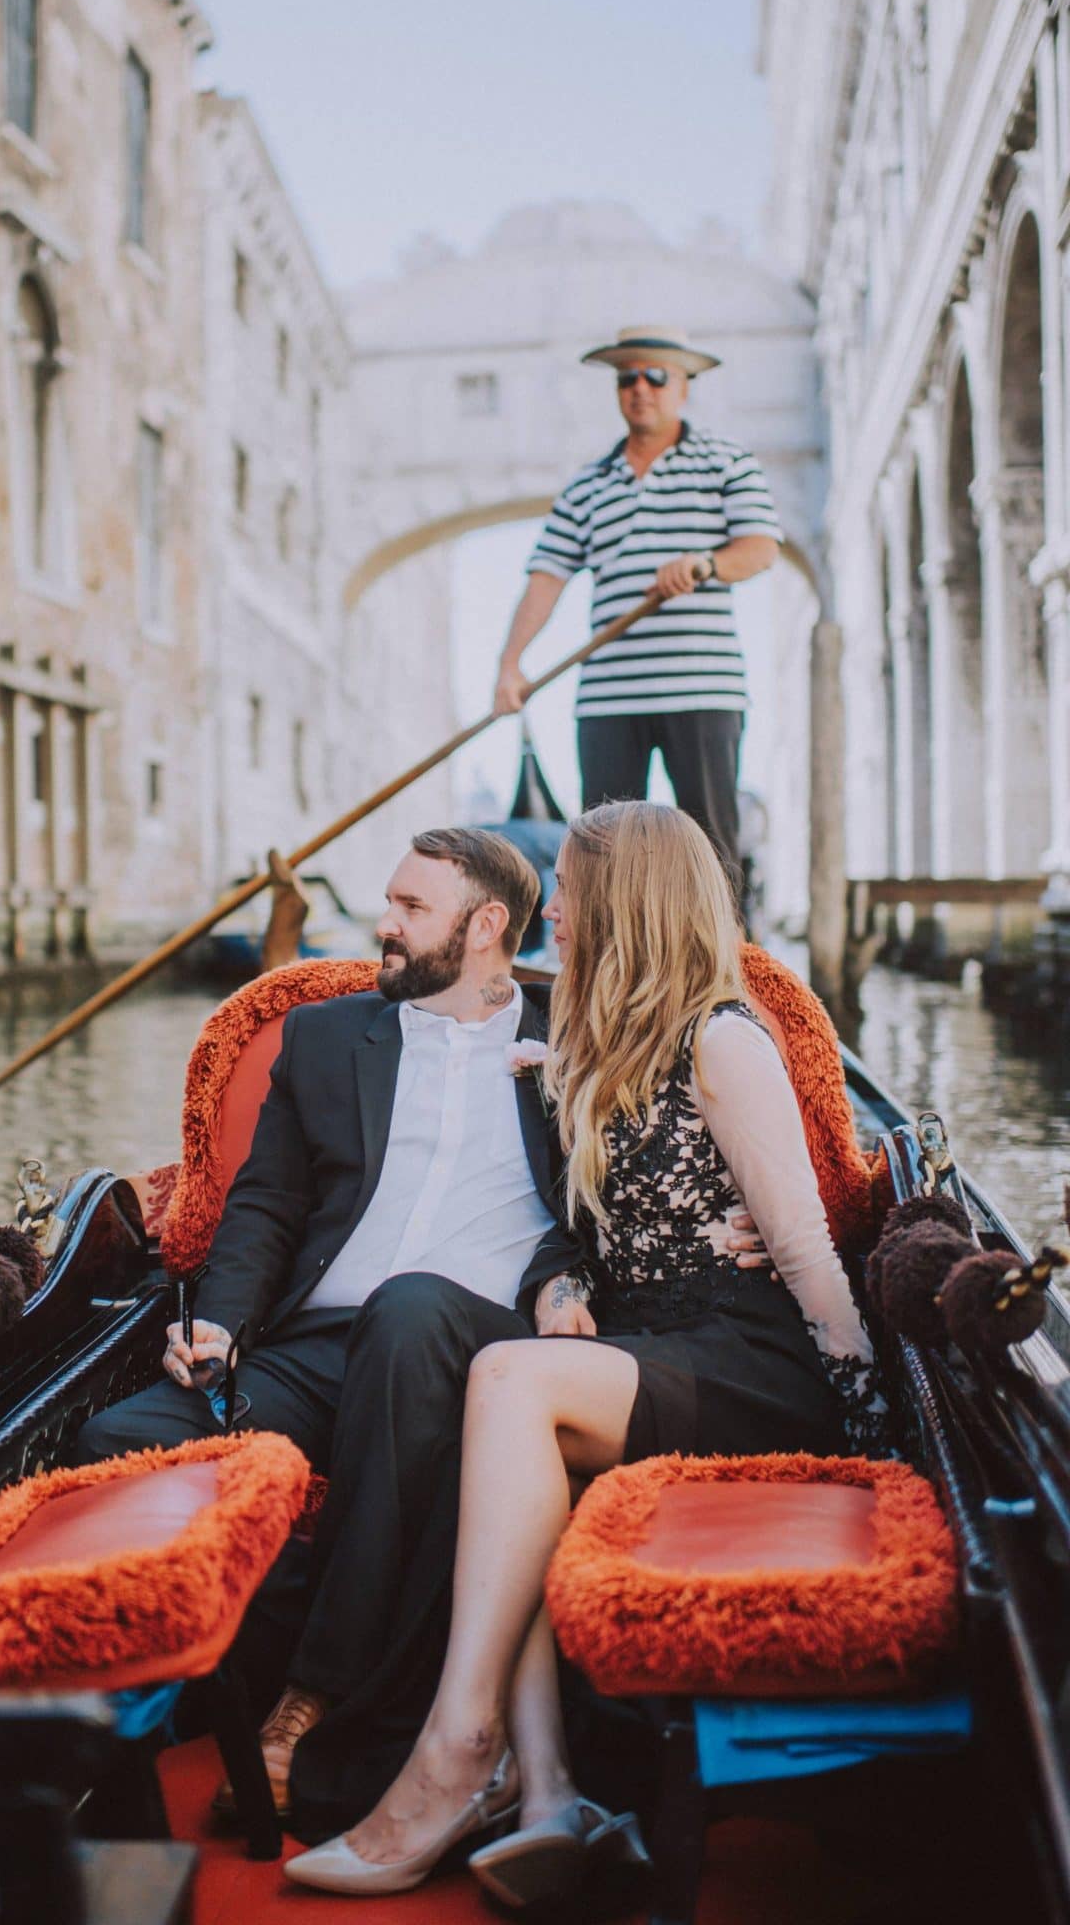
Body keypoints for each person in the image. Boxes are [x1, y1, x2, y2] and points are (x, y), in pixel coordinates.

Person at [286, 801, 890, 1899]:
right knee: (476, 1355)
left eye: (568, 888)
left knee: (507, 1375)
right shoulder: (586, 1040)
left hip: (747, 1361)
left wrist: (871, 1426)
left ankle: (458, 1753)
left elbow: (804, 1251)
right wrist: (565, 1277)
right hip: (644, 1343)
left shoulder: (724, 1038)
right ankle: (551, 1786)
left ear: (629, 902)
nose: (550, 909)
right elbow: (582, 1231)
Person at [70, 828, 582, 1811]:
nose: (382, 926)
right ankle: (138, 1717)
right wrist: (219, 1325)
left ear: (486, 928)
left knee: (411, 1308)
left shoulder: (578, 1036)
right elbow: (265, 1206)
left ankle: (314, 1699)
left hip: (477, 1352)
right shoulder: (325, 1035)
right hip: (318, 1347)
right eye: (386, 901)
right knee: (116, 1439)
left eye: (411, 909)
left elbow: (633, 1184)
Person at [493, 326, 781, 889]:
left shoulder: (726, 464)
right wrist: (510, 664)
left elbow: (761, 549)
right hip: (609, 695)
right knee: (601, 850)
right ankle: (608, 966)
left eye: (656, 376)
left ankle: (728, 967)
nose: (640, 388)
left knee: (709, 846)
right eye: (628, 378)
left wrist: (704, 562)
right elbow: (546, 578)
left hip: (703, 688)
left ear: (683, 387)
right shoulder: (587, 485)